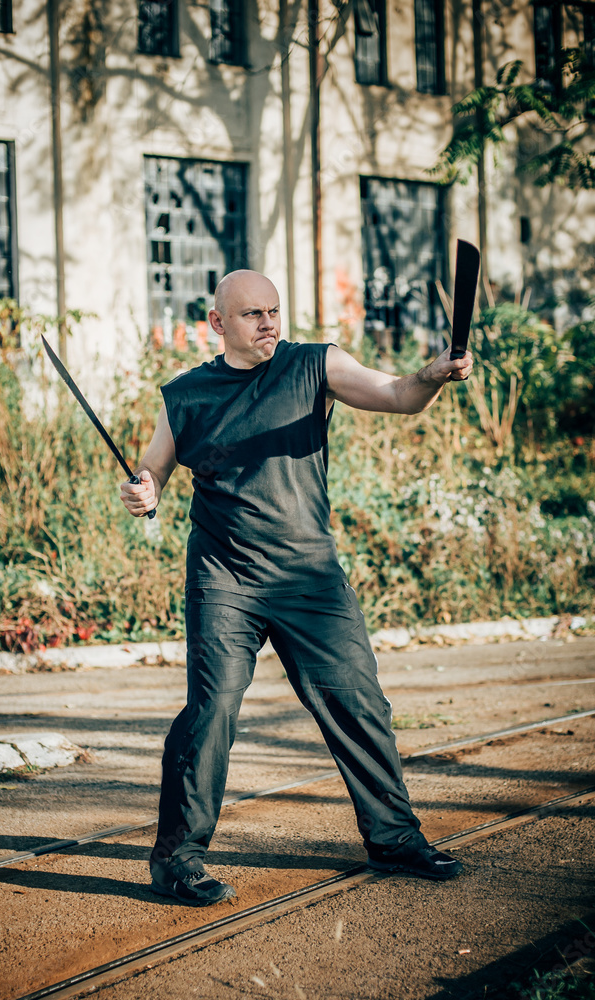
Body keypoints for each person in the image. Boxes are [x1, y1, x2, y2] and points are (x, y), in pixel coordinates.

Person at [120, 269, 473, 907]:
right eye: (252, 314)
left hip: (309, 574)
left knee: (359, 701)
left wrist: (432, 373)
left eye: (274, 311)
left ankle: (394, 839)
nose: (268, 323)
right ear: (218, 322)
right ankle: (178, 860)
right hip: (225, 575)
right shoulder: (186, 394)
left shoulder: (314, 365)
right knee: (211, 708)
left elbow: (398, 394)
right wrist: (144, 490)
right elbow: (153, 470)